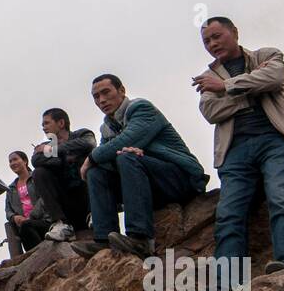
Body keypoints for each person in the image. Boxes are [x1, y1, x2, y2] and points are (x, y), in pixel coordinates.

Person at [188, 17, 284, 291]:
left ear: (234, 33)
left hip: (277, 141)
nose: (212, 44)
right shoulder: (207, 76)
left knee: (282, 198)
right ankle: (227, 283)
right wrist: (250, 88)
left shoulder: (266, 55)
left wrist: (225, 87)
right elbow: (210, 111)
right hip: (234, 151)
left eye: (217, 36)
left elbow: (274, 77)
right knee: (228, 215)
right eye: (207, 41)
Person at [80, 73, 209, 258]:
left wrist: (90, 158)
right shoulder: (107, 127)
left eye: (106, 92)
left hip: (178, 179)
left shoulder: (141, 108)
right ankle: (103, 240)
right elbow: (107, 155)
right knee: (97, 172)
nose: (102, 100)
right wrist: (96, 161)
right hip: (146, 183)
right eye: (96, 97)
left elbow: (128, 139)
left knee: (124, 157)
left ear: (122, 90)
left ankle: (140, 239)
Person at [30, 108, 96, 242]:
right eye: (43, 124)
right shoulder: (44, 146)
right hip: (64, 200)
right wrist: (65, 158)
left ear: (60, 123)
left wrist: (53, 151)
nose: (44, 127)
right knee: (40, 172)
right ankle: (61, 224)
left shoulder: (82, 134)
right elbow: (36, 160)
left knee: (88, 161)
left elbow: (88, 144)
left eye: (47, 123)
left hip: (87, 194)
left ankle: (96, 214)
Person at [5, 150, 49, 252]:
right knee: (25, 228)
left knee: (26, 225)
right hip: (26, 227)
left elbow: (45, 197)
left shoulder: (36, 177)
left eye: (15, 159)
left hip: (44, 220)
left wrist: (31, 217)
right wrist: (14, 217)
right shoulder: (11, 189)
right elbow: (8, 210)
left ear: (25, 161)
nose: (12, 163)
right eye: (10, 161)